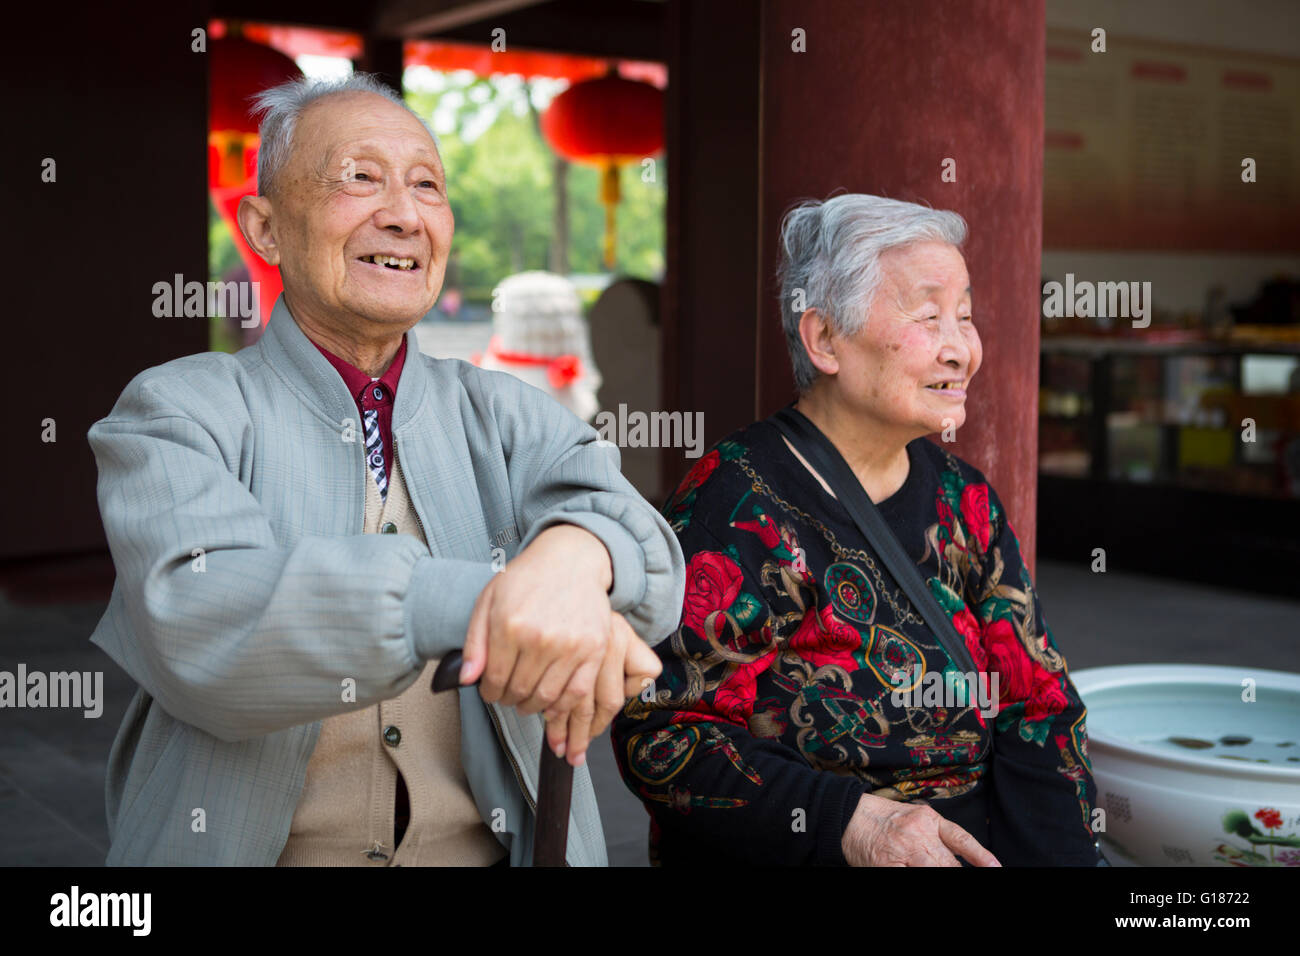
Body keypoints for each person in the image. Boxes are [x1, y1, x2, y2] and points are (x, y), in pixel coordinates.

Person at [87, 73, 685, 866]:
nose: (403, 215)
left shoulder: (505, 409)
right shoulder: (178, 410)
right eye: (359, 177)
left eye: (428, 185)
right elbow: (201, 614)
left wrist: (579, 555)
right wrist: (495, 599)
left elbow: (645, 551)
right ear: (263, 229)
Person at [611, 193, 1103, 867]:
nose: (963, 349)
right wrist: (855, 825)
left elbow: (1039, 704)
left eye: (964, 316)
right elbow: (664, 735)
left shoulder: (968, 502)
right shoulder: (738, 504)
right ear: (825, 340)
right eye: (930, 316)